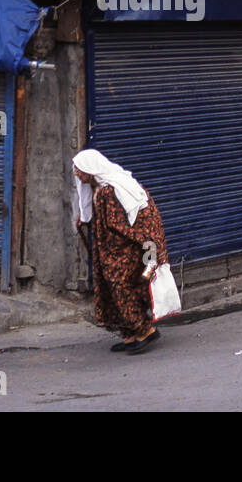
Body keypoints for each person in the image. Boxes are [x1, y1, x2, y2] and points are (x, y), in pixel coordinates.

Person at [72, 149, 168, 355]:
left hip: (133, 244)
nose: (76, 174)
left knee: (121, 283)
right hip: (126, 244)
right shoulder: (101, 187)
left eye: (79, 170)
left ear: (90, 170)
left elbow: (117, 226)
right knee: (116, 285)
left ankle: (145, 330)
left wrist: (110, 254)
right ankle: (130, 333)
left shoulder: (110, 190)